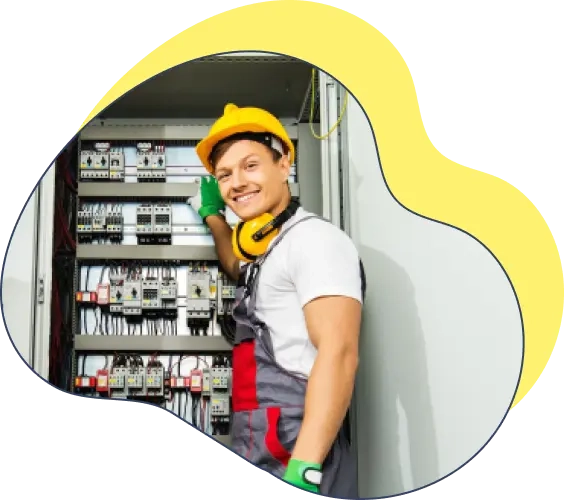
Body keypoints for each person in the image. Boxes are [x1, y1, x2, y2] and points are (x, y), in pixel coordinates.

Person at [188, 103, 365, 496]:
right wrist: (214, 218)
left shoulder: (314, 241)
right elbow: (237, 265)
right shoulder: (268, 250)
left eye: (250, 166)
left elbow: (339, 352)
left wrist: (304, 470)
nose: (236, 183)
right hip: (263, 441)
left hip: (301, 449)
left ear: (284, 163)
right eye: (224, 174)